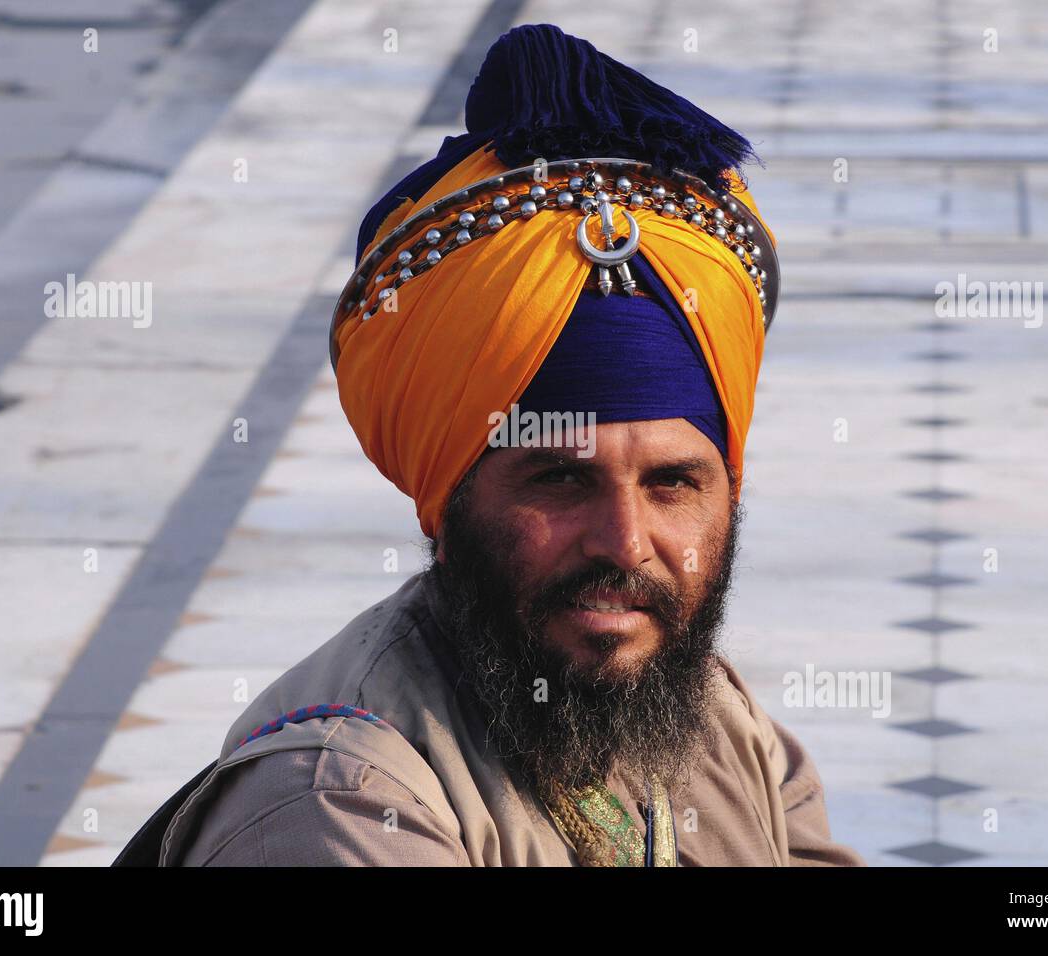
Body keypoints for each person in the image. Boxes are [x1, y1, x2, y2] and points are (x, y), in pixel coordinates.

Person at [121, 22, 864, 867]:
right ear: (451, 499)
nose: (626, 544)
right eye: (559, 479)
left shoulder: (713, 724)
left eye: (671, 485)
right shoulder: (340, 805)